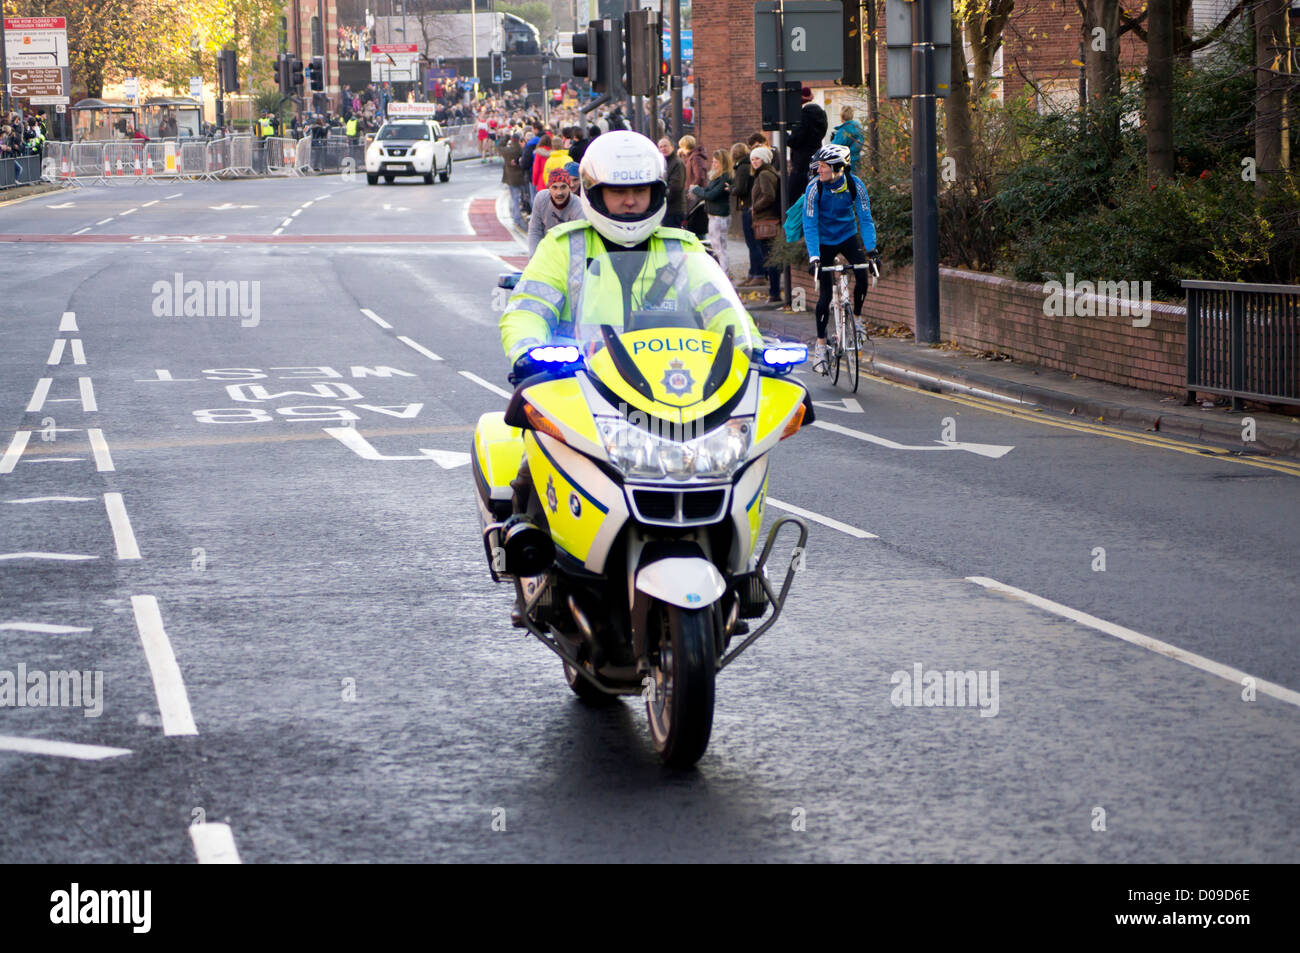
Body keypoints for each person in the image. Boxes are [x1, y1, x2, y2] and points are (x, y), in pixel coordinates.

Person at [500, 130, 760, 367]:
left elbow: (722, 308)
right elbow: (529, 309)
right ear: (596, 193)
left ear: (656, 192)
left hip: (673, 386)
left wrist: (750, 348)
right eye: (617, 191)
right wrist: (526, 350)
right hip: (581, 383)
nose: (630, 201)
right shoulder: (564, 246)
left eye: (640, 190)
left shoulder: (681, 248)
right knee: (520, 417)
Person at [803, 143, 878, 370]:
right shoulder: (814, 188)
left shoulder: (855, 185)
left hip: (847, 236)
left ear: (837, 168)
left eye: (824, 166)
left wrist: (872, 251)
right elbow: (810, 224)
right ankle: (821, 345)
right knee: (825, 296)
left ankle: (857, 321)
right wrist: (814, 256)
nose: (819, 171)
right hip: (824, 241)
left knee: (862, 276)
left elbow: (865, 218)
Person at [690, 148, 733, 279]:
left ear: (723, 163)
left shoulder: (725, 177)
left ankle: (724, 274)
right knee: (716, 245)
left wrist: (696, 189)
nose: (713, 164)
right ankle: (723, 272)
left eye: (716, 162)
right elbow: (707, 191)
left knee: (720, 247)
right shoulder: (716, 177)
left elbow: (711, 195)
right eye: (713, 161)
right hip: (713, 214)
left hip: (719, 216)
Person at [748, 146, 783, 305]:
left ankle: (774, 292)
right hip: (768, 218)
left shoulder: (763, 175)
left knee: (769, 258)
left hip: (766, 219)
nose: (754, 162)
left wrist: (756, 207)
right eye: (753, 159)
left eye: (757, 158)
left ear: (765, 159)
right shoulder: (767, 173)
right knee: (770, 256)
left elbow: (769, 196)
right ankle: (774, 291)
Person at [730, 142, 765, 288]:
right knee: (752, 243)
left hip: (750, 208)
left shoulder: (742, 168)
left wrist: (731, 188)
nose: (754, 162)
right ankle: (753, 273)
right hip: (750, 207)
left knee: (753, 243)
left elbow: (741, 188)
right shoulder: (747, 167)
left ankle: (758, 274)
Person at [527, 167, 585, 254]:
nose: (559, 193)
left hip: (569, 251)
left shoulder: (578, 205)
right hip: (547, 249)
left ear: (569, 187)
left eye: (563, 187)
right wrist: (533, 258)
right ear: (548, 188)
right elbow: (535, 231)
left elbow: (581, 239)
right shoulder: (541, 198)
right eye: (554, 187)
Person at [786, 85, 828, 191]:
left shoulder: (803, 117)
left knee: (791, 199)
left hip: (801, 165)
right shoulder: (820, 116)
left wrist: (784, 134)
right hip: (816, 162)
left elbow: (794, 141)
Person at [679, 135, 709, 238]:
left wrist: (692, 187)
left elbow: (699, 175)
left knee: (696, 221)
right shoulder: (691, 157)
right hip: (693, 192)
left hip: (696, 194)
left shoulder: (695, 158)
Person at [500, 131, 528, 230]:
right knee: (525, 197)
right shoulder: (522, 149)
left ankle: (517, 218)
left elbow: (499, 147)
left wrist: (505, 138)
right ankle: (526, 213)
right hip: (522, 177)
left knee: (514, 198)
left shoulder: (507, 151)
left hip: (511, 178)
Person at [658, 136, 686, 228]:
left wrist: (661, 199)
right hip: (665, 209)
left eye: (665, 146)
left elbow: (675, 187)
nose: (663, 149)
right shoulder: (662, 163)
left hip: (674, 210)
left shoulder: (677, 163)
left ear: (672, 147)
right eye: (661, 147)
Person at [830, 105, 864, 172]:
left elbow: (834, 148)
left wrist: (833, 140)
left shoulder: (843, 131)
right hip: (857, 160)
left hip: (846, 163)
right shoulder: (858, 128)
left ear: (842, 116)